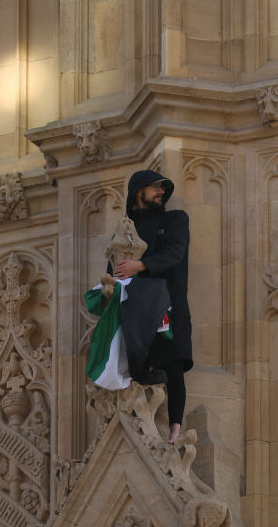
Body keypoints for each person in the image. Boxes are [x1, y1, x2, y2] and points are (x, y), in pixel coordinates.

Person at [112, 169, 193, 444]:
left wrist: (140, 265)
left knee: (174, 367)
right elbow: (114, 268)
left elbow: (175, 254)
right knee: (132, 367)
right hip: (135, 312)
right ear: (139, 191)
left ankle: (175, 430)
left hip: (168, 306)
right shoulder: (125, 229)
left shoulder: (175, 220)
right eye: (156, 187)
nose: (161, 192)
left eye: (163, 188)